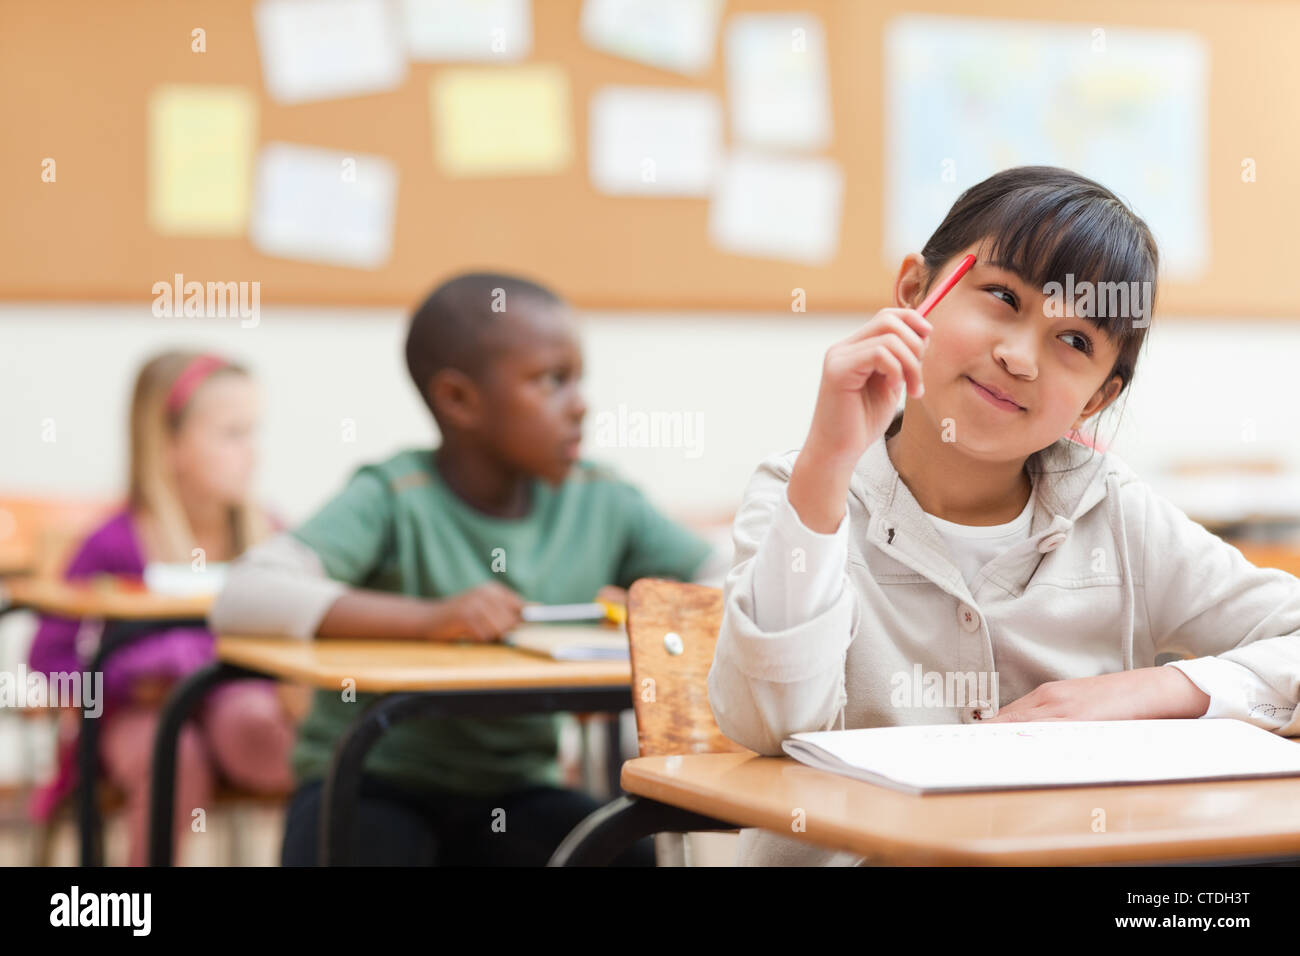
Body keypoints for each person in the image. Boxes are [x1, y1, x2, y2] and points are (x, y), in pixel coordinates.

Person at [708, 166, 1300, 865]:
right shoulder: (799, 491)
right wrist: (826, 467)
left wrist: (1159, 688)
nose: (1019, 357)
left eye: (1074, 340)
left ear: (1095, 400)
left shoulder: (1112, 511)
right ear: (914, 294)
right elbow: (767, 723)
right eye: (1001, 297)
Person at [211, 272, 727, 866]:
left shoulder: (601, 499)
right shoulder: (395, 495)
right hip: (370, 783)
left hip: (510, 795)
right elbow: (247, 592)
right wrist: (431, 618)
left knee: (622, 856)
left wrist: (657, 612)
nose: (581, 404)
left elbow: (729, 577)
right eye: (551, 381)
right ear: (459, 401)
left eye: (579, 379)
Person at [27, 351, 298, 866]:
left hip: (241, 717)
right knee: (171, 753)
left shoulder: (272, 536)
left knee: (259, 726)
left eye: (253, 432)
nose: (253, 454)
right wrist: (131, 677)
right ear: (168, 444)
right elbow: (49, 662)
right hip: (137, 721)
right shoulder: (110, 545)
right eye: (232, 434)